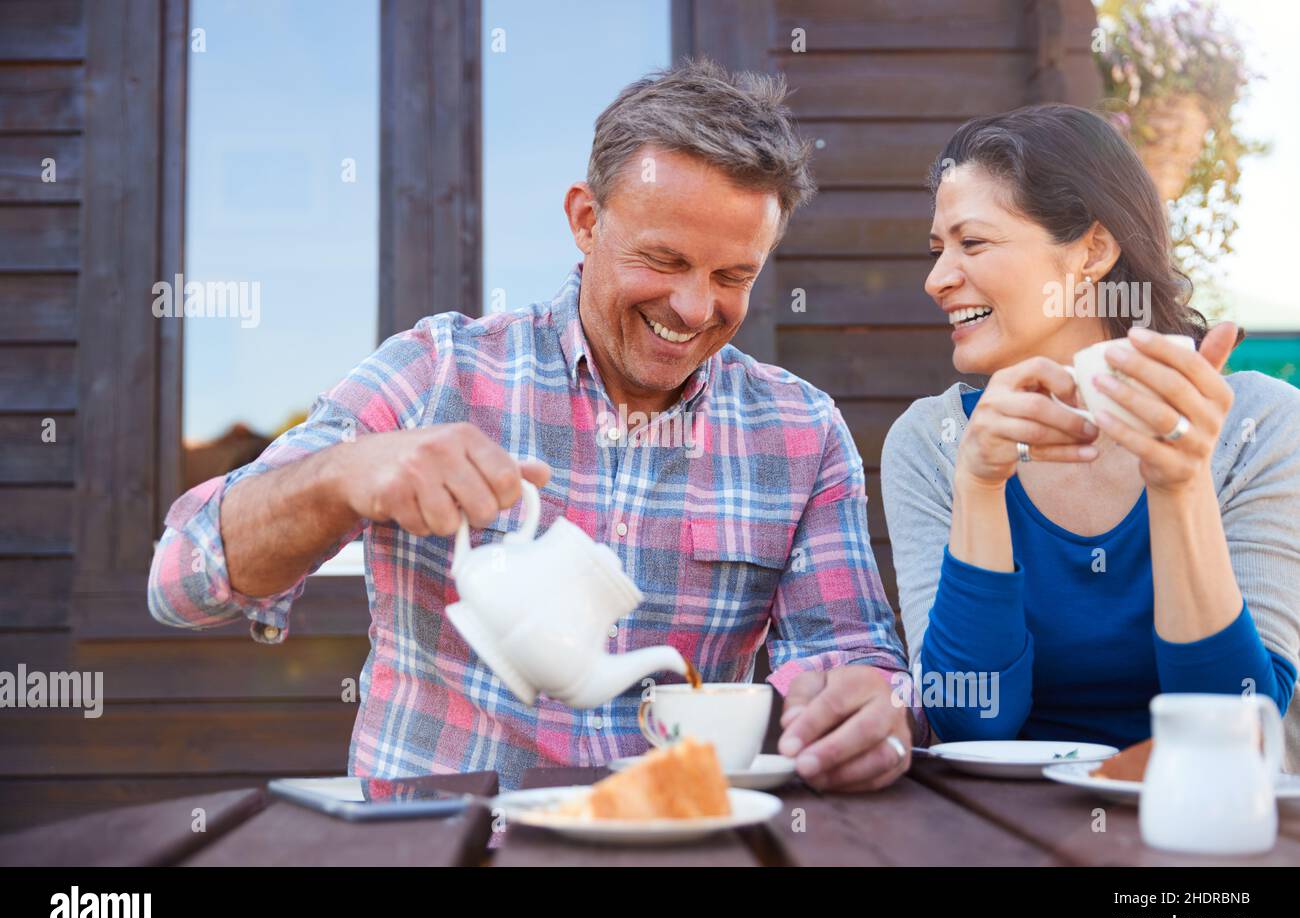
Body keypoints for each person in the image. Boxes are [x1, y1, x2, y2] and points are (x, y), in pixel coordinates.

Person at [148, 58, 923, 791]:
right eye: (663, 259)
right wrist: (343, 477)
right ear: (586, 220)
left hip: (673, 846)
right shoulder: (438, 369)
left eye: (733, 277)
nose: (694, 308)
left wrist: (870, 704)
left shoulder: (799, 431)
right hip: (439, 844)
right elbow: (182, 582)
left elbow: (847, 655)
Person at [881, 103, 1300, 770]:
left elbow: (1237, 727)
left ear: (1093, 251)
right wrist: (981, 485)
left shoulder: (1259, 426)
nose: (937, 279)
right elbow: (969, 722)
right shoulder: (929, 443)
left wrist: (1180, 485)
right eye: (938, 250)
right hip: (999, 828)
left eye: (974, 243)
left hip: (1197, 832)